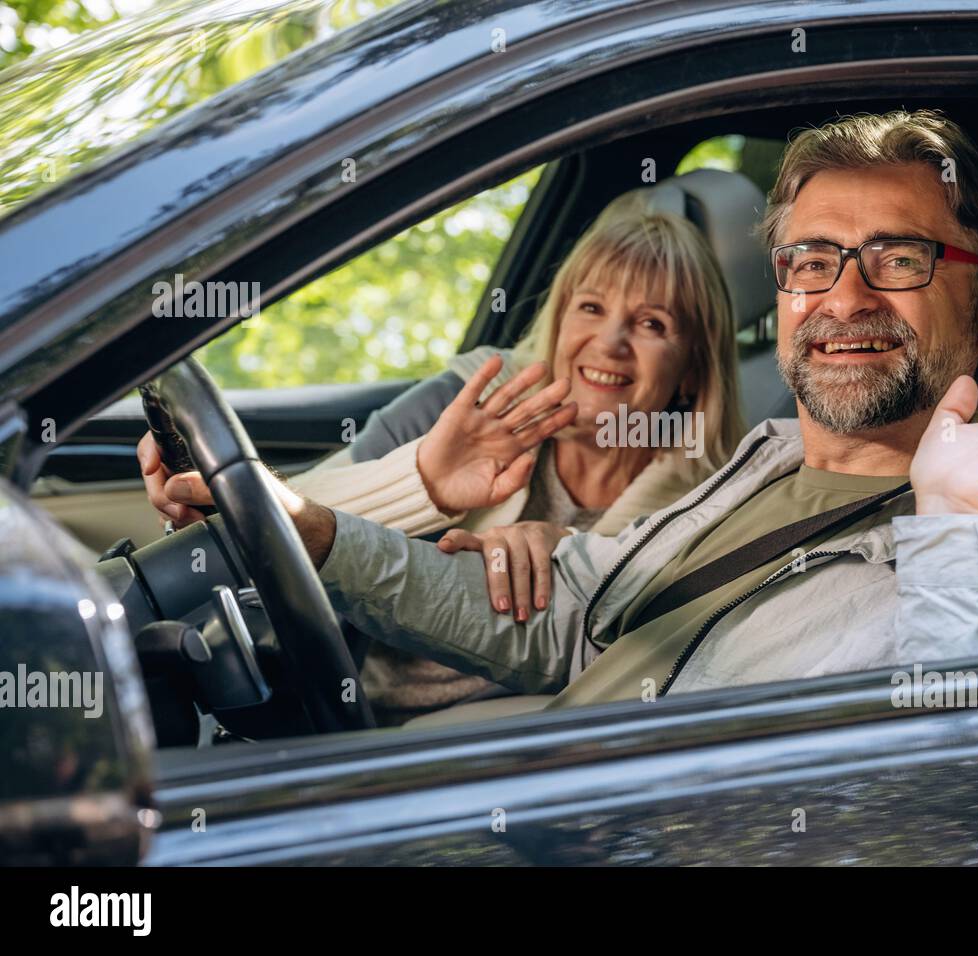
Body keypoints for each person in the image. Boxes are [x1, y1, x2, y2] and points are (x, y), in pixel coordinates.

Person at [156, 109, 978, 714]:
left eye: (900, 259)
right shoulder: (770, 455)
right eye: (811, 261)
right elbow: (569, 619)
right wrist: (313, 529)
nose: (845, 299)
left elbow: (944, 804)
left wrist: (954, 517)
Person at [138, 192, 744, 722]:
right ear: (558, 321)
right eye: (590, 307)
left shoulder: (712, 507)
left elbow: (640, 678)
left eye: (651, 324)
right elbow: (297, 514)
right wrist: (422, 482)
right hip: (318, 697)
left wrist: (577, 560)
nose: (609, 342)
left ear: (693, 366)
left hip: (448, 760)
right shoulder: (471, 399)